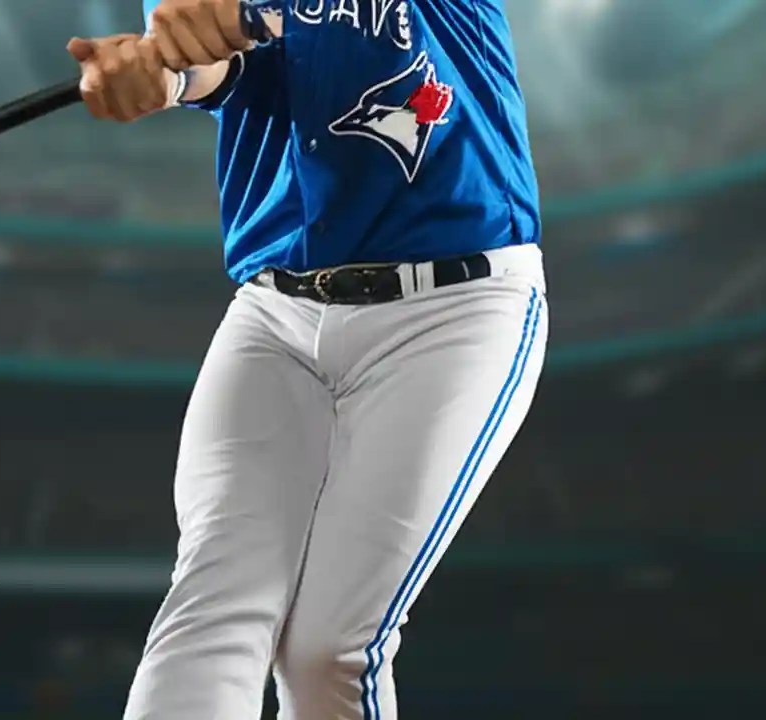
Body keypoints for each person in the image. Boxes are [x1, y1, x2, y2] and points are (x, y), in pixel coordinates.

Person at [67, 1, 546, 718]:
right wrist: (164, 74)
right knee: (212, 610)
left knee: (329, 651)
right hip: (275, 310)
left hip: (452, 306)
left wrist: (248, 11)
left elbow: (250, 17)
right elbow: (222, 70)